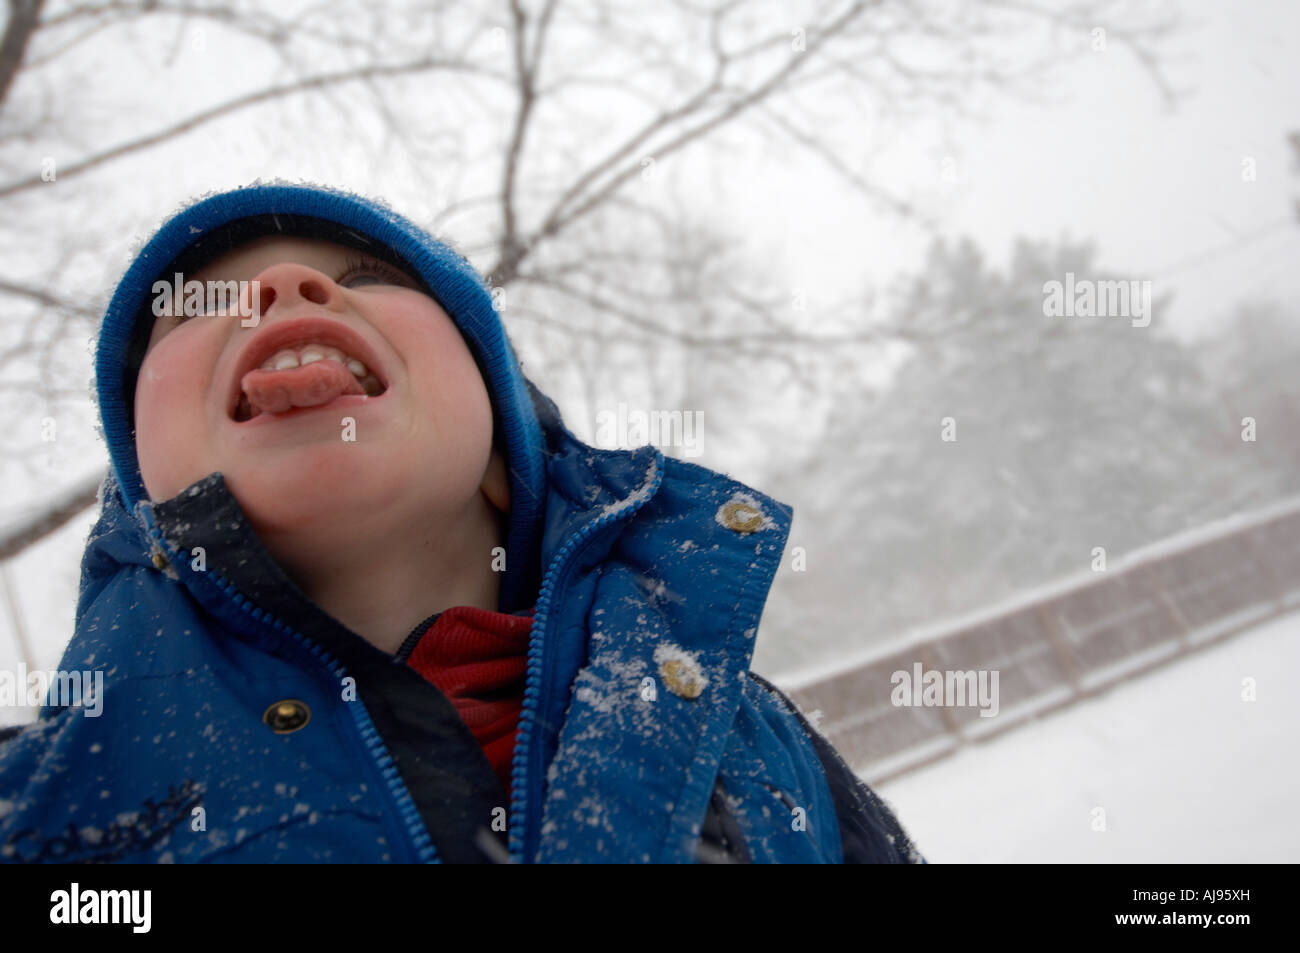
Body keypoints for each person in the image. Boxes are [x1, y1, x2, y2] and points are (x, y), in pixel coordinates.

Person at [0, 181, 924, 863]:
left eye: (365, 274)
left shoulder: (748, 736)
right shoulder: (45, 811)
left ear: (499, 463)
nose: (281, 286)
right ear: (145, 503)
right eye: (196, 305)